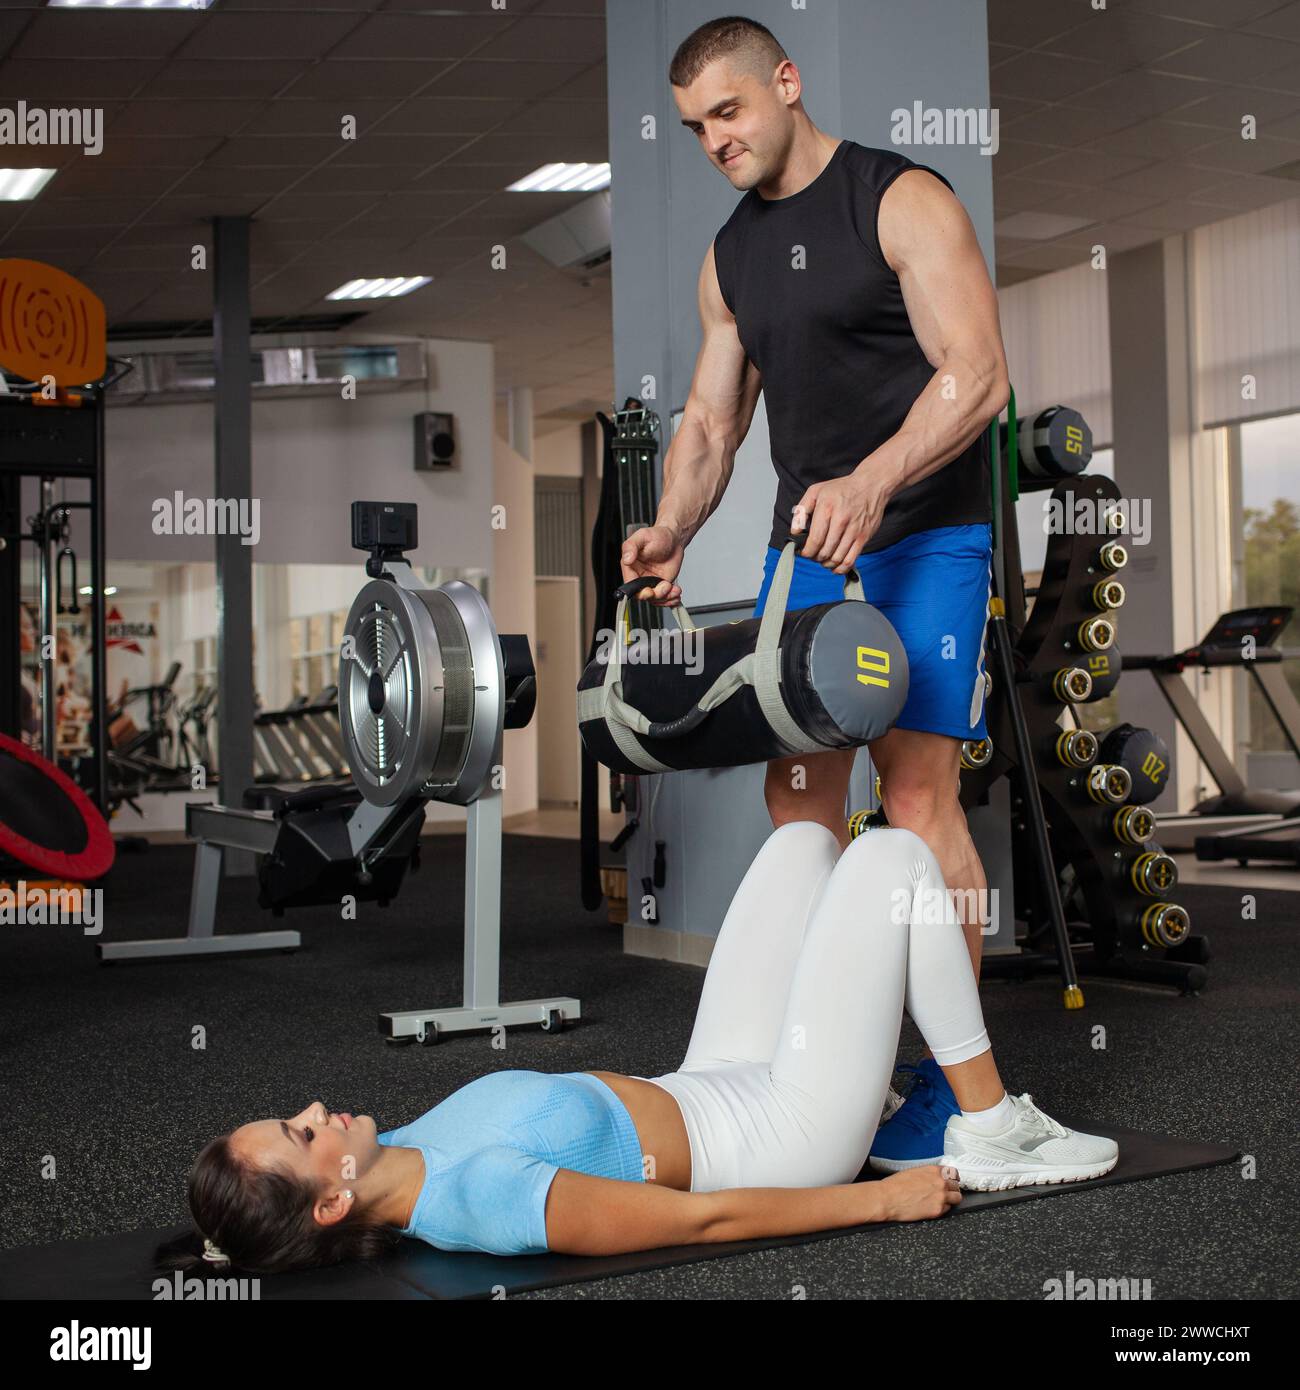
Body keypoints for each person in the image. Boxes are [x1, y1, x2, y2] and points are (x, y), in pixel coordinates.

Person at [619, 15, 1011, 1175]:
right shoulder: (730, 258)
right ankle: (834, 1057)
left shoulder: (900, 200)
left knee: (918, 803)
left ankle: (956, 1089)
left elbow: (977, 374)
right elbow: (709, 420)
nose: (714, 142)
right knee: (799, 816)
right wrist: (671, 527)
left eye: (729, 113)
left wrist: (876, 477)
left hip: (926, 534)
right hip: (812, 553)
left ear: (784, 85)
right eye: (695, 128)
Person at [161, 825, 1116, 1273]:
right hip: (780, 1136)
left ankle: (907, 1113)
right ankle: (986, 1126)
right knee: (894, 862)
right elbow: (699, 1224)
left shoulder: (399, 1147)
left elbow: (251, 1236)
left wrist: (219, 1244)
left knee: (803, 847)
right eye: (301, 1130)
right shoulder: (476, 1200)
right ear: (331, 1196)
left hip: (707, 1079)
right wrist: (878, 1201)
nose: (317, 1110)